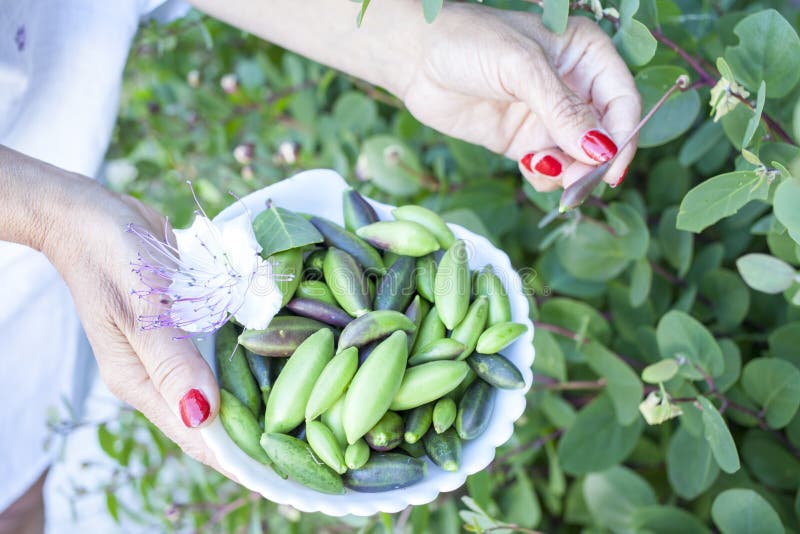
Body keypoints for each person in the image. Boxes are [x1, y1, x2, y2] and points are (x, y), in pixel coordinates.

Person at [0, 0, 641, 531]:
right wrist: (51, 216)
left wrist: (416, 46)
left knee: (22, 482)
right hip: (42, 226)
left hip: (55, 236)